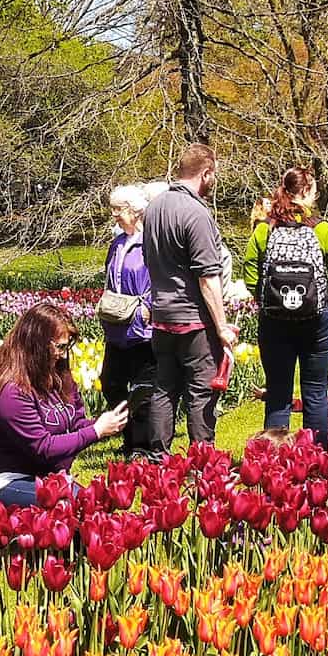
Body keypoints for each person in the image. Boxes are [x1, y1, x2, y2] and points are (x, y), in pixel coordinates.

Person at [0, 303, 130, 512]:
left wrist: (108, 424)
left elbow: (76, 423)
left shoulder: (57, 374)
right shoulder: (10, 390)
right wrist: (96, 431)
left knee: (96, 506)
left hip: (47, 477)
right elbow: (43, 448)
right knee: (80, 508)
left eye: (67, 346)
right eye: (60, 347)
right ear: (36, 344)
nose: (64, 355)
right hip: (8, 481)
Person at [142, 144, 239, 449]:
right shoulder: (196, 213)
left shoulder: (154, 208)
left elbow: (149, 259)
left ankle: (157, 459)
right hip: (193, 321)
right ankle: (203, 463)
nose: (214, 181)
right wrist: (222, 326)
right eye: (214, 175)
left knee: (164, 389)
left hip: (161, 317)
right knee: (201, 391)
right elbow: (208, 277)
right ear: (206, 173)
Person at [243, 166, 328, 445]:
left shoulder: (265, 229)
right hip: (317, 321)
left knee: (278, 390)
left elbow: (250, 271)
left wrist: (265, 300)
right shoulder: (322, 230)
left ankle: (275, 460)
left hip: (274, 321)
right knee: (315, 391)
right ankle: (316, 460)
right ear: (307, 193)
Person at [99, 184, 167, 459]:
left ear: (136, 210)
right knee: (111, 382)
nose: (115, 215)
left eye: (120, 209)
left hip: (142, 329)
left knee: (143, 388)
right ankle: (129, 435)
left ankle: (140, 445)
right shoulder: (117, 244)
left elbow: (162, 279)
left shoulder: (151, 242)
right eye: (113, 209)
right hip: (117, 325)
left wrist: (148, 308)